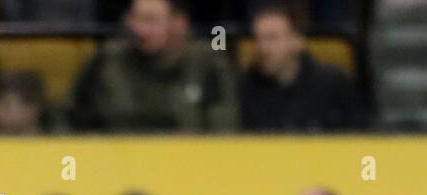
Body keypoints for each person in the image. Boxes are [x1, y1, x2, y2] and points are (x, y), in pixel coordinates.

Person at [67, 0, 238, 131]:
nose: (142, 30)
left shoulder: (206, 63)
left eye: (151, 20)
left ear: (177, 23)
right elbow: (70, 116)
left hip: (187, 164)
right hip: (116, 163)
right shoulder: (107, 60)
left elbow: (224, 129)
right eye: (136, 19)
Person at [239, 2, 361, 131]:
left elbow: (361, 135)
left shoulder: (332, 84)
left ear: (297, 40)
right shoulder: (247, 87)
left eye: (272, 38)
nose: (263, 48)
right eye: (258, 39)